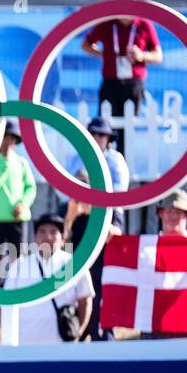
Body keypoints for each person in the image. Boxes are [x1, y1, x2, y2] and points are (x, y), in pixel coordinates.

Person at [64, 117, 128, 341]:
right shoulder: (75, 159)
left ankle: (101, 330)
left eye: (101, 135)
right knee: (76, 275)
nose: (96, 138)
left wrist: (88, 187)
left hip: (107, 218)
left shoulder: (115, 160)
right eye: (92, 133)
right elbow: (64, 192)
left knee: (103, 277)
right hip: (79, 219)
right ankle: (75, 329)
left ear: (108, 139)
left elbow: (118, 193)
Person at [82, 0, 162, 156]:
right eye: (120, 2)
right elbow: (86, 44)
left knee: (127, 128)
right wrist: (104, 53)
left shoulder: (143, 24)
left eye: (128, 2)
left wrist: (142, 56)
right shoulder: (106, 23)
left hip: (133, 83)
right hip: (110, 82)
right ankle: (103, 163)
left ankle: (122, 165)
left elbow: (158, 55)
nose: (125, 6)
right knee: (104, 126)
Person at [2, 211, 93, 345]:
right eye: (42, 231)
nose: (47, 236)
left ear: (63, 239)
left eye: (53, 232)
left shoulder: (74, 265)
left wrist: (77, 334)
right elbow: (7, 303)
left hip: (63, 347)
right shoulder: (19, 266)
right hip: (25, 347)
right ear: (35, 237)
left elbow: (85, 301)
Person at [0, 119, 36, 285]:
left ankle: (15, 289)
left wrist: (23, 204)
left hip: (17, 219)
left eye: (10, 137)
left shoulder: (21, 163)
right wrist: (4, 162)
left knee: (17, 259)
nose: (7, 141)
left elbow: (30, 188)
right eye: (4, 136)